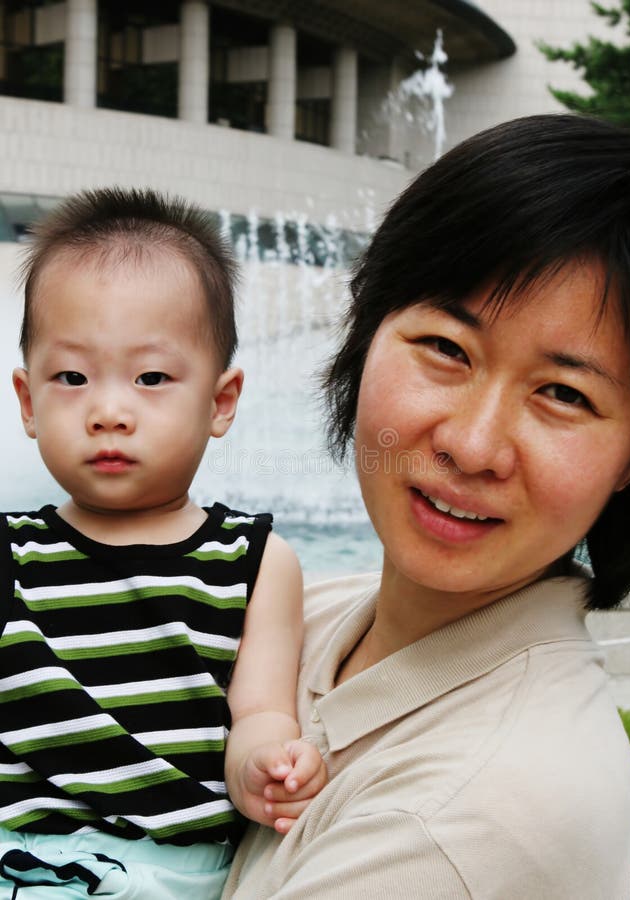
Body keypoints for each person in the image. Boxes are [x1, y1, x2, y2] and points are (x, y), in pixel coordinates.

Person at [223, 114, 630, 899]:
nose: (471, 445)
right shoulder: (305, 619)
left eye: (564, 394)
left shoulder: (468, 819)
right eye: (446, 349)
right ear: (368, 329)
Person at [0, 188, 327, 899]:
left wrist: (262, 766)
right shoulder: (12, 554)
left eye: (151, 378)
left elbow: (260, 711)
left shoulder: (253, 562)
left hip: (172, 874)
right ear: (28, 402)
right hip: (20, 862)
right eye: (72, 377)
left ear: (220, 401)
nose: (109, 411)